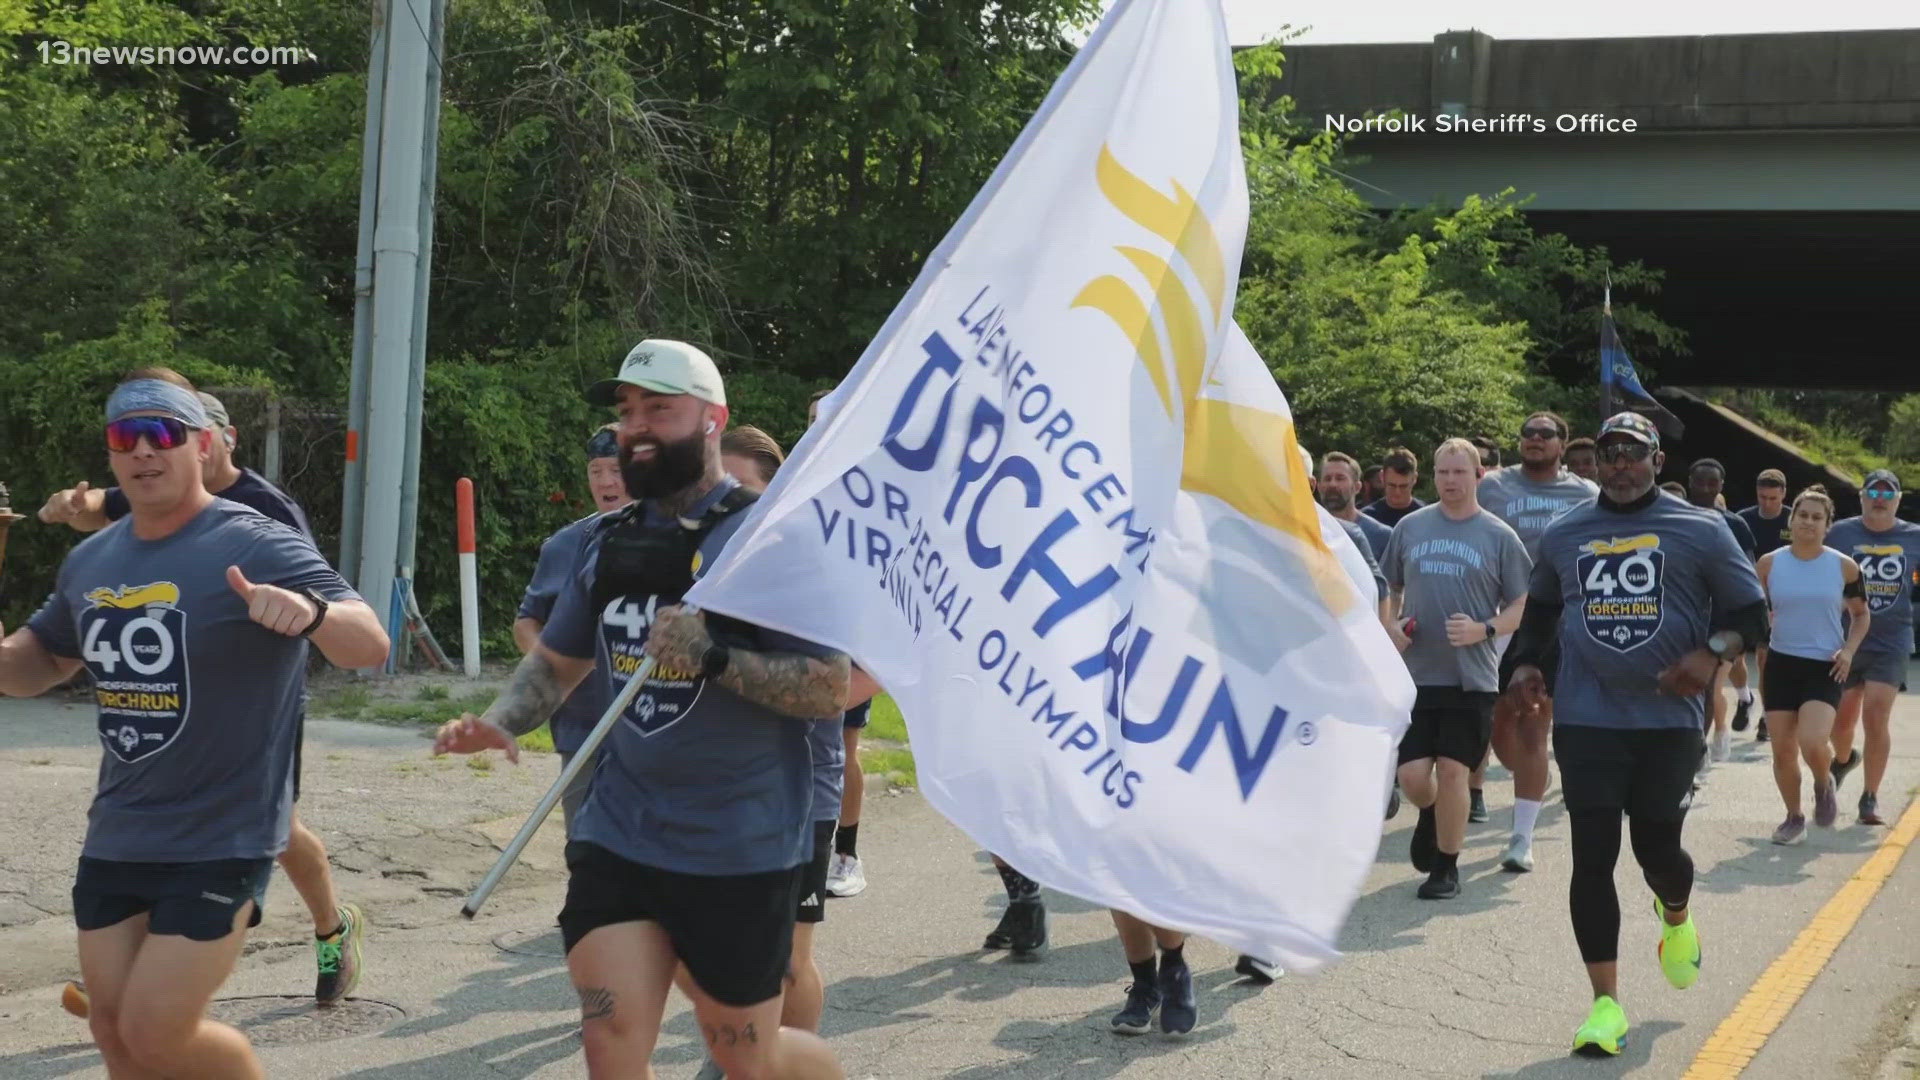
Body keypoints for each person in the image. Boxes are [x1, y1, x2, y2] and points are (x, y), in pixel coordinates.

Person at [431, 339, 850, 1079]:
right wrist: (501, 719)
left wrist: (714, 656)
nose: (637, 426)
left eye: (660, 407)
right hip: (620, 830)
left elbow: (826, 687)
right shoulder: (611, 543)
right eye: (627, 412)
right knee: (611, 1041)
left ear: (713, 418)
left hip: (740, 843)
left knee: (744, 1054)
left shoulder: (768, 541)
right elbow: (559, 661)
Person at [1, 374, 387, 1078]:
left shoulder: (255, 538)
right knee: (115, 1032)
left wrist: (314, 614)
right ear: (112, 455)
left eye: (163, 435)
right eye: (126, 437)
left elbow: (371, 642)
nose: (144, 452)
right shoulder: (92, 559)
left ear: (202, 443)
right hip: (120, 830)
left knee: (156, 1029)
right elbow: (41, 661)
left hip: (223, 833)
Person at [1502, 412, 1769, 1056]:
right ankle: (1605, 1006)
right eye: (1611, 452)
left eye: (1633, 452)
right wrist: (1528, 665)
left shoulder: (1703, 530)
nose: (1620, 463)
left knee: (1657, 852)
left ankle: (1675, 915)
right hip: (1590, 719)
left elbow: (1750, 616)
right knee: (1592, 856)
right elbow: (1540, 611)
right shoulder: (1567, 534)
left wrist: (1710, 655)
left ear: (1656, 461)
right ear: (1596, 463)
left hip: (1667, 724)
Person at [690, 430, 840, 1080]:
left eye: (745, 490)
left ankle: (766, 1061)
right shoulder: (700, 562)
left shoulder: (806, 570)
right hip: (720, 790)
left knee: (783, 958)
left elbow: (848, 682)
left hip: (801, 792)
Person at [1382, 439, 1531, 900]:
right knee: (1411, 777)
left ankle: (1446, 867)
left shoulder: (1499, 535)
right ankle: (1430, 814)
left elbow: (1523, 603)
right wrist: (1389, 625)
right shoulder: (1410, 527)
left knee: (1452, 771)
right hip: (1417, 673)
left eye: (1459, 473)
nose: (1450, 481)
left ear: (1478, 476)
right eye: (1443, 472)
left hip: (1472, 677)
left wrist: (1485, 629)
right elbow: (1388, 585)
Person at [1475, 411, 1598, 872]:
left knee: (1534, 724)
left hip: (1552, 622)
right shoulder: (1492, 487)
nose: (1535, 439)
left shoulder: (1586, 494)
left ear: (1562, 444)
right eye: (1528, 433)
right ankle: (1532, 778)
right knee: (1495, 726)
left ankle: (1521, 838)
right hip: (1500, 618)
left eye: (1546, 434)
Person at [514, 424, 630, 832]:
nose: (605, 482)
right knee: (584, 844)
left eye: (616, 470)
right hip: (582, 723)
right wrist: (554, 665)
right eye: (596, 471)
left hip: (654, 730)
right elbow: (527, 622)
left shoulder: (679, 539)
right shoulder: (563, 545)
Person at [1755, 487, 1868, 844]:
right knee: (1783, 749)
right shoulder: (1770, 563)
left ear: (1827, 524)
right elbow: (1754, 607)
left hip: (1825, 665)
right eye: (1802, 515)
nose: (1808, 521)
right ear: (1792, 520)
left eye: (1817, 517)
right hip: (1780, 664)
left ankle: (1824, 781)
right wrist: (1759, 629)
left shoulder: (1844, 566)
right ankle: (1794, 818)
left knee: (1812, 739)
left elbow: (1861, 615)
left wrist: (1849, 650)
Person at [798, 391, 875, 900]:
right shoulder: (795, 480)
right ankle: (799, 848)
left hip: (852, 634)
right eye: (813, 420)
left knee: (843, 747)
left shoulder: (871, 480)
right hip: (801, 629)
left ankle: (845, 854)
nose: (820, 429)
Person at [1826, 469, 1920, 825]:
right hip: (1847, 638)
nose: (1880, 501)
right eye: (1873, 494)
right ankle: (1846, 757)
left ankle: (1870, 797)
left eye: (1887, 495)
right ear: (1862, 497)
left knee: (1876, 716)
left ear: (1897, 500)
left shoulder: (1914, 536)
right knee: (1841, 720)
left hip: (1893, 639)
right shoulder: (1841, 533)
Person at [1686, 458, 1757, 765]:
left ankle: (1696, 752)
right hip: (1683, 616)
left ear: (1721, 487)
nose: (1704, 488)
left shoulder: (1735, 525)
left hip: (1722, 621)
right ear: (1689, 482)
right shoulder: (1673, 518)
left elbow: (1748, 575)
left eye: (1711, 483)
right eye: (1699, 482)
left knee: (1710, 686)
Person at [1734, 469, 1792, 739]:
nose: (1767, 503)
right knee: (1746, 658)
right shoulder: (1743, 520)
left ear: (1783, 494)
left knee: (1771, 660)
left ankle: (1771, 716)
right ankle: (1753, 704)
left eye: (1772, 498)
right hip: (1751, 596)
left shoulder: (1794, 519)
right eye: (1762, 497)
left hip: (1786, 598)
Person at [1319, 451, 1392, 560]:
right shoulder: (1308, 532)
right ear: (1319, 487)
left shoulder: (1382, 536)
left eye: (1340, 478)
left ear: (1357, 487)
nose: (1332, 484)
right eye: (1327, 479)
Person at [1364, 447, 1425, 527]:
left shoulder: (1427, 516)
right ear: (1382, 477)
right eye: (1392, 485)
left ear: (1414, 478)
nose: (1397, 492)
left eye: (1403, 486)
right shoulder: (1367, 518)